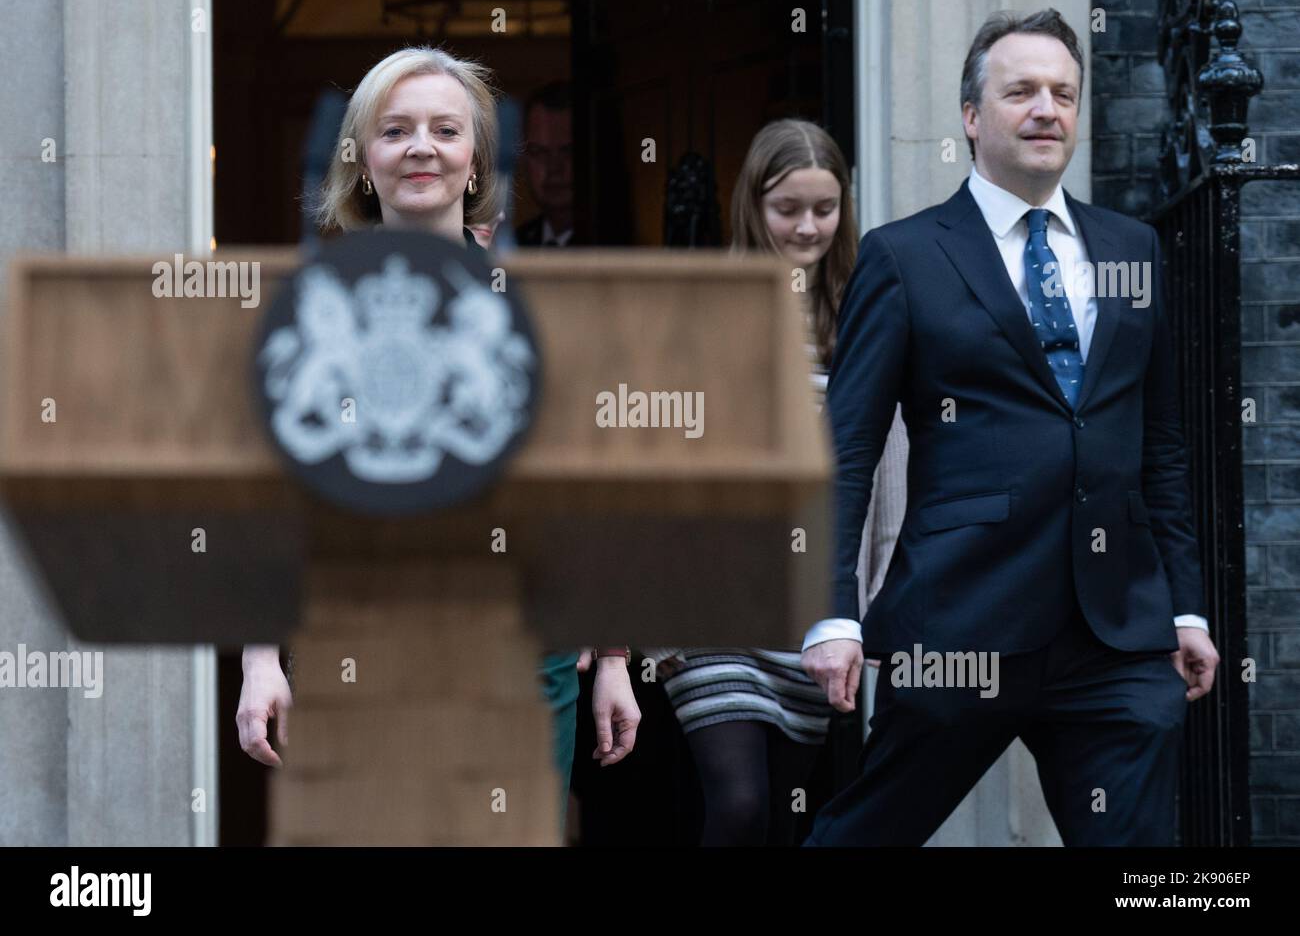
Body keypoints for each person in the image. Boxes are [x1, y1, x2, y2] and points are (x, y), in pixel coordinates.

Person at [801, 9, 1221, 846]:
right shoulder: (906, 255)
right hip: (961, 625)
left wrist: (1185, 609)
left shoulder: (1131, 247)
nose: (1046, 109)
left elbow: (1161, 444)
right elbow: (844, 453)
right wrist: (833, 613)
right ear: (971, 116)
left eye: (1063, 93)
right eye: (1021, 90)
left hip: (1117, 638)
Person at [237, 47, 641, 832]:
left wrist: (617, 656)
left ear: (475, 159)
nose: (421, 146)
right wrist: (260, 658)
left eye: (444, 130)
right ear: (361, 160)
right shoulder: (308, 316)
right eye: (395, 130)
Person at [648, 119, 907, 846]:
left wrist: (875, 605)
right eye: (786, 208)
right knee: (738, 806)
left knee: (787, 818)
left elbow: (887, 478)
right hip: (716, 605)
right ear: (750, 208)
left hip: (814, 609)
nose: (806, 227)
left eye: (824, 209)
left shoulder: (864, 313)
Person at [515, 82, 574, 247]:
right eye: (538, 152)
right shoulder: (514, 247)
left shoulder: (621, 247)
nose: (553, 167)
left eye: (568, 151)